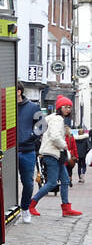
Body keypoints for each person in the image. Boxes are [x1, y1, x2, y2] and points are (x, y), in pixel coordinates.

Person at [30, 96, 82, 218]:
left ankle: (66, 208)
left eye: (70, 107)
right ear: (59, 108)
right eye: (65, 107)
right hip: (53, 154)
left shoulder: (53, 118)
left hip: (55, 154)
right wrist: (65, 146)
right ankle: (31, 204)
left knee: (65, 180)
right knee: (52, 182)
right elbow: (55, 137)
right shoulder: (58, 119)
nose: (68, 109)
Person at [16, 90, 41, 222]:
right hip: (9, 151)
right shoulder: (5, 106)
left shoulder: (33, 107)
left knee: (28, 183)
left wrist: (31, 137)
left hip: (27, 151)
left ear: (19, 92)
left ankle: (25, 208)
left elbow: (42, 126)